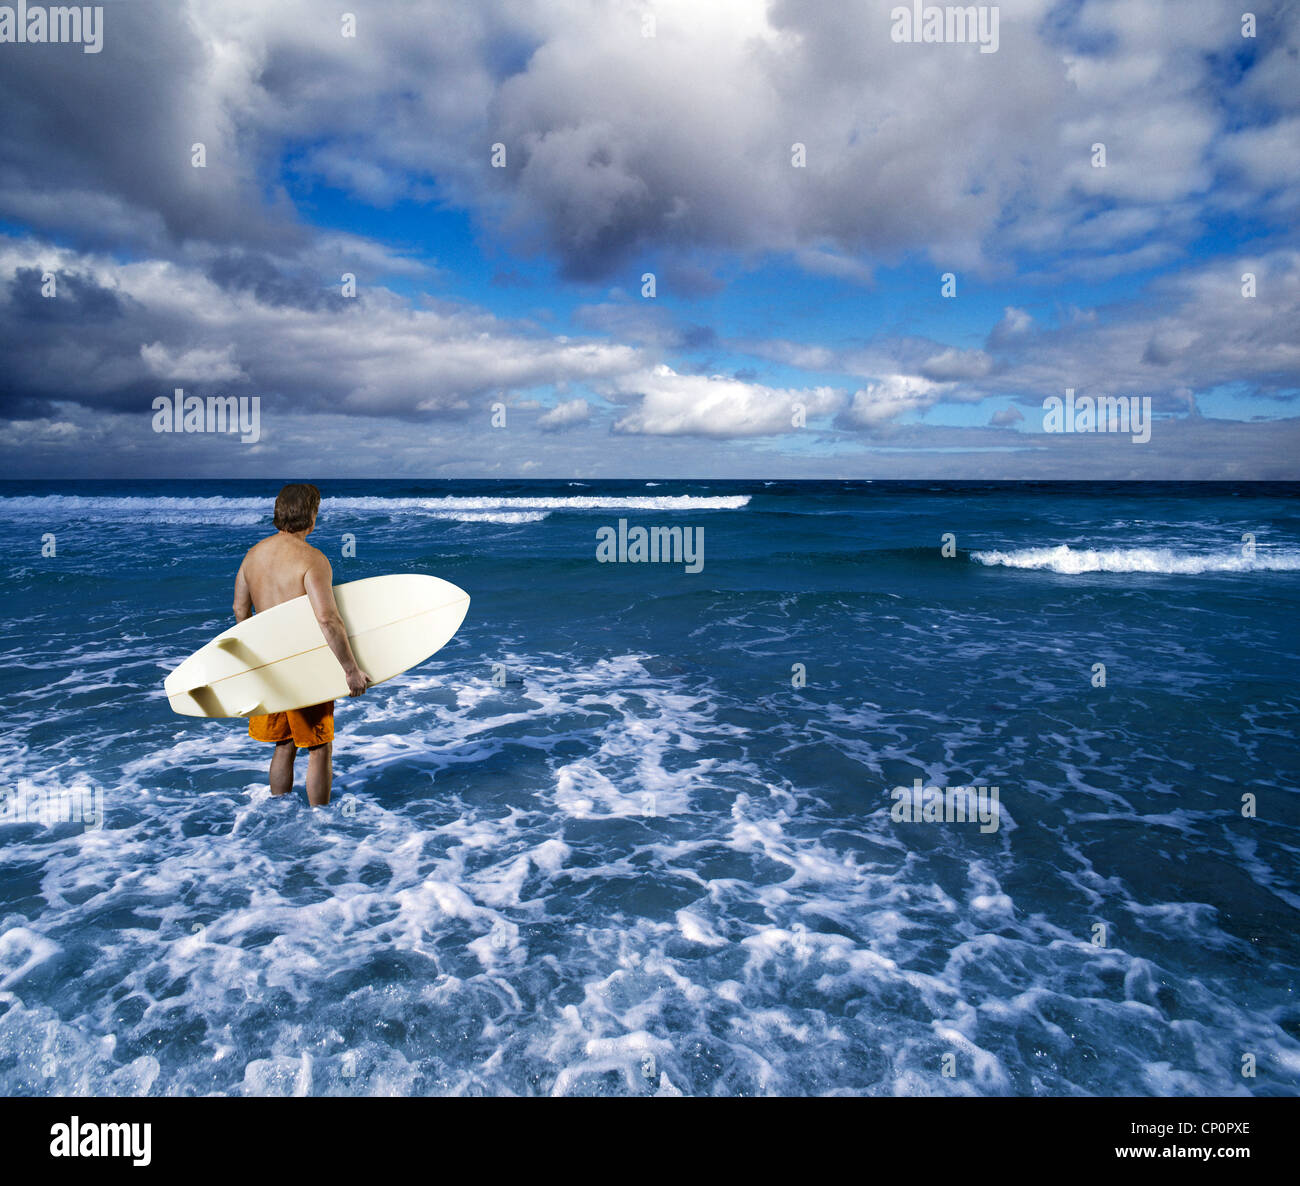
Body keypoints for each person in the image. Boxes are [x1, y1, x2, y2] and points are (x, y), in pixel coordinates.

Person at [233, 483, 371, 806]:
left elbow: (240, 609)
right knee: (319, 746)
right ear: (311, 516)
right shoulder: (312, 559)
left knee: (283, 743)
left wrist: (255, 657)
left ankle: (279, 811)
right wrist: (350, 670)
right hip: (302, 665)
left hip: (269, 665)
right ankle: (320, 821)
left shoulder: (252, 557)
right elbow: (327, 620)